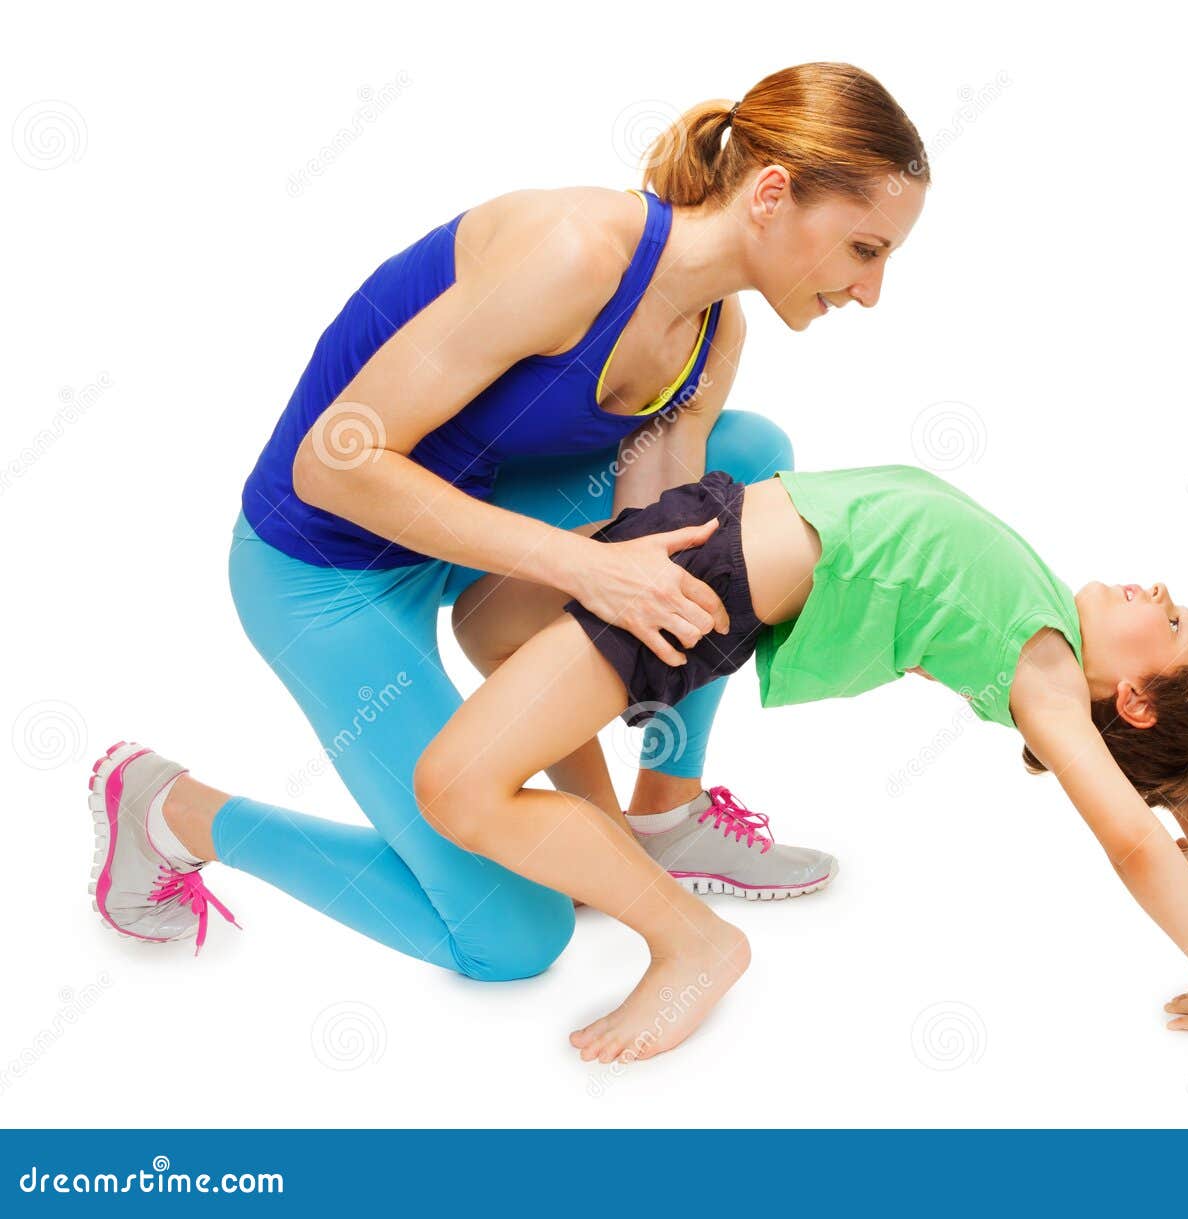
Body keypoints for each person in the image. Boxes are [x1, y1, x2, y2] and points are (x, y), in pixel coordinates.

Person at [87, 65, 929, 980]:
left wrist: (863, 624)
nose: (872, 290)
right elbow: (332, 464)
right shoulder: (573, 252)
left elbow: (659, 556)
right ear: (771, 194)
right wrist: (582, 566)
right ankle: (168, 808)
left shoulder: (714, 333)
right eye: (864, 248)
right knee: (513, 937)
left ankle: (661, 817)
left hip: (474, 519)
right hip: (325, 565)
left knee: (743, 473)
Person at [95, 464, 1188, 1062]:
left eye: (1171, 619)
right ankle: (613, 856)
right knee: (491, 624)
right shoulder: (1052, 645)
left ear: (1134, 695)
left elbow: (1127, 839)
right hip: (699, 532)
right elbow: (1146, 792)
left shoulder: (1042, 668)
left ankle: (689, 941)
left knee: (456, 785)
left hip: (701, 580)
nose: (1153, 590)